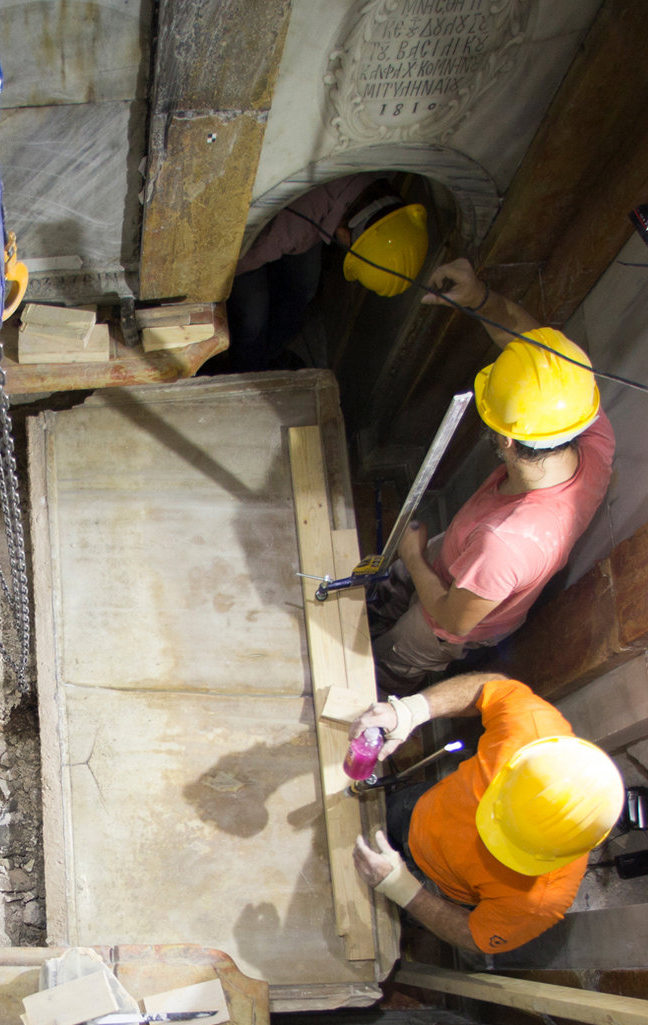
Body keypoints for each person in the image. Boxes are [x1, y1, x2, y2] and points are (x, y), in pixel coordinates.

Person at [366, 257, 614, 697]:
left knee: (388, 658)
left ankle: (373, 678)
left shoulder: (508, 541)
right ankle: (377, 610)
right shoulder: (590, 433)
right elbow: (539, 363)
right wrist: (480, 298)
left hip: (443, 623)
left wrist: (416, 557)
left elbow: (451, 617)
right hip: (463, 559)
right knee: (390, 590)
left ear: (510, 442)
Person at [347, 672, 623, 956]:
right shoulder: (529, 730)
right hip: (418, 808)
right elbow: (488, 689)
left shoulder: (542, 899)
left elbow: (475, 935)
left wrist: (403, 890)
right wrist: (410, 711)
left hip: (427, 884)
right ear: (514, 769)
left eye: (511, 845)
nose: (485, 836)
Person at [207, 176, 430, 373]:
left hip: (312, 221)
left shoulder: (368, 184)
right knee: (253, 315)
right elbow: (235, 262)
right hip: (243, 242)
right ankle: (247, 371)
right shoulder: (295, 227)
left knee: (304, 287)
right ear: (343, 233)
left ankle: (268, 355)